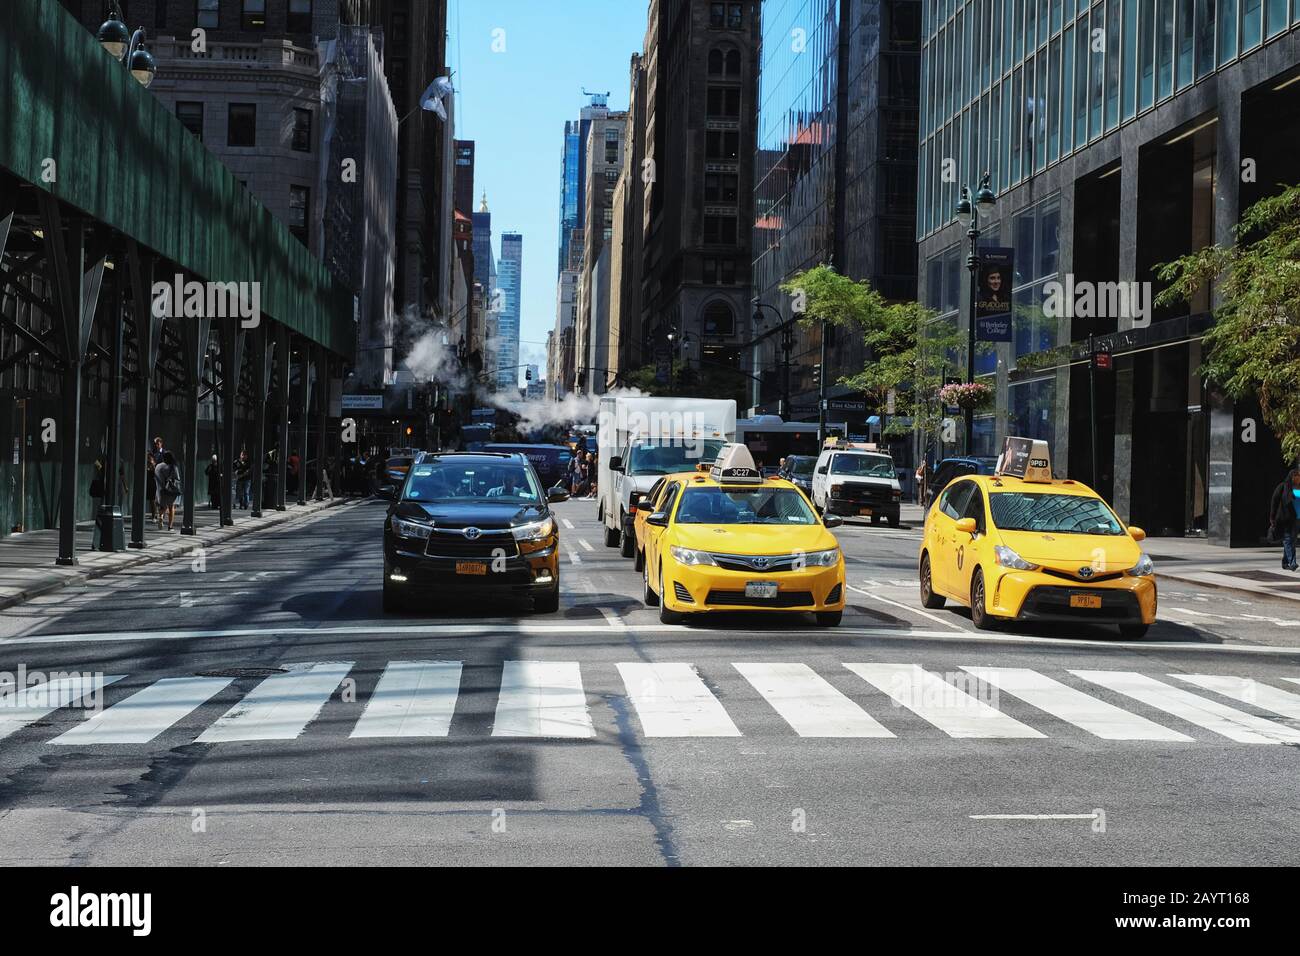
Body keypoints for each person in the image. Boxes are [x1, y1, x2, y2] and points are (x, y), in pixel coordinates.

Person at [1269, 468, 1300, 572]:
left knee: (1292, 540)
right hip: (1285, 518)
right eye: (1296, 476)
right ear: (1291, 477)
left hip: (1297, 519)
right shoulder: (1283, 487)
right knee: (1288, 540)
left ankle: (1285, 562)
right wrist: (1272, 517)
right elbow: (1274, 501)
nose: (1298, 478)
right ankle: (1292, 562)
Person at [155, 451, 181, 532]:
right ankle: (170, 526)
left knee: (162, 506)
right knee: (171, 507)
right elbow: (177, 478)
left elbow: (155, 477)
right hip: (170, 490)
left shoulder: (158, 466)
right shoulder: (173, 467)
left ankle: (161, 516)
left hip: (160, 490)